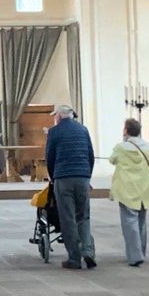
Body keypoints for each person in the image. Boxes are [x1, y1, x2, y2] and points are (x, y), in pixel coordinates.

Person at [45, 104, 97, 270]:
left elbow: (50, 157)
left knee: (68, 219)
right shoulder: (83, 130)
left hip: (63, 178)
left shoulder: (54, 132)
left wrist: (54, 177)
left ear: (58, 117)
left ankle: (74, 258)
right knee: (83, 216)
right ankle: (88, 251)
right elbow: (90, 155)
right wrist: (87, 175)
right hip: (82, 177)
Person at [111, 118, 149, 265]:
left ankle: (135, 256)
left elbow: (113, 160)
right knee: (141, 222)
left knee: (129, 222)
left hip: (127, 188)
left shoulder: (121, 147)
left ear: (126, 131)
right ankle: (141, 252)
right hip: (144, 187)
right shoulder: (145, 146)